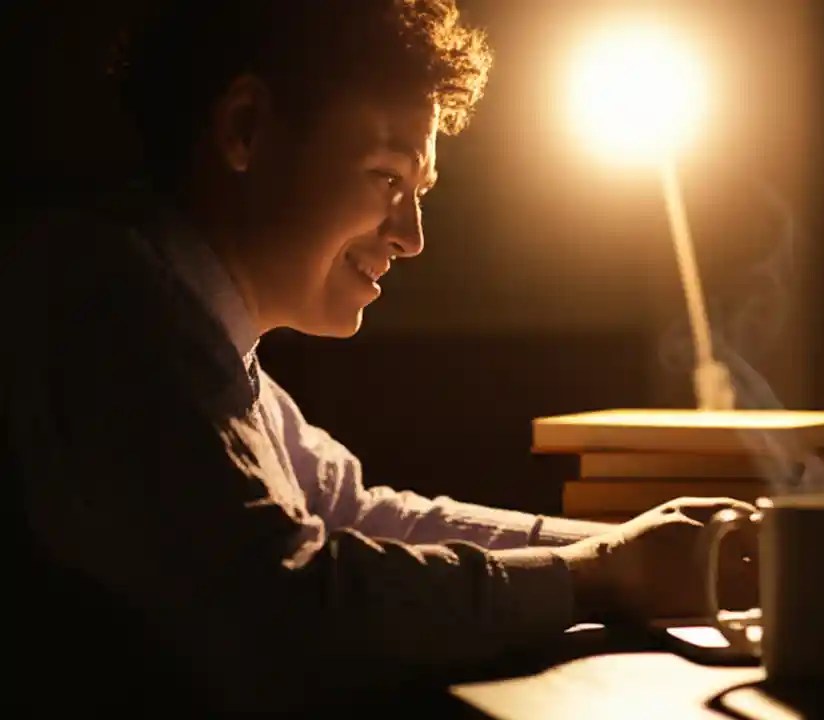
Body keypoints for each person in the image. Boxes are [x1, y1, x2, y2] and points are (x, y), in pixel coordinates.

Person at [5, 0, 755, 711]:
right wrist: (594, 576)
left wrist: (631, 547)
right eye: (388, 178)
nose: (411, 236)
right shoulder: (113, 318)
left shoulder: (190, 322)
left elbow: (357, 513)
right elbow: (290, 602)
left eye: (419, 189)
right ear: (245, 127)